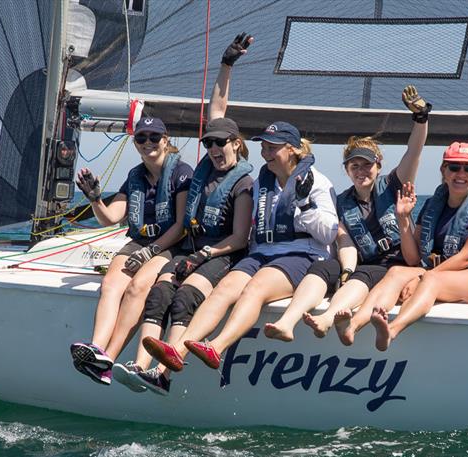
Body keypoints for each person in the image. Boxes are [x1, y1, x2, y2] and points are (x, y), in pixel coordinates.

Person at [141, 32, 339, 374]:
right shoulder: (262, 179)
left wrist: (304, 204)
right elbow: (217, 114)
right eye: (264, 145)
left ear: (291, 150)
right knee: (226, 289)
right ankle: (175, 352)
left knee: (255, 289)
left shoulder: (316, 182)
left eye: (273, 146)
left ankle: (215, 347)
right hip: (262, 252)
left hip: (300, 254)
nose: (265, 150)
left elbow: (329, 232)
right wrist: (227, 64)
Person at [263, 85, 430, 342]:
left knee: (364, 274)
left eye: (367, 165)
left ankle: (329, 318)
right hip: (363, 264)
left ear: (378, 166)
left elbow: (414, 152)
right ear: (347, 169)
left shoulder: (393, 185)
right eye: (355, 166)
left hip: (395, 265)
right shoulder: (341, 202)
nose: (361, 170)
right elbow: (344, 241)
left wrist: (420, 118)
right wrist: (346, 271)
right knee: (325, 267)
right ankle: (287, 321)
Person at [111, 115, 254, 395]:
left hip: (223, 253)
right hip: (192, 250)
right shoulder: (203, 174)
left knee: (185, 297)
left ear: (236, 144)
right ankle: (141, 368)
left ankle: (163, 375)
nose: (214, 149)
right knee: (160, 293)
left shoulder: (243, 183)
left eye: (220, 143)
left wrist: (206, 254)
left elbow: (239, 238)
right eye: (209, 143)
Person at [335, 142, 468, 351]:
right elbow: (413, 258)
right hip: (439, 273)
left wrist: (420, 279)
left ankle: (392, 330)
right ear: (443, 171)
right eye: (454, 167)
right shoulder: (432, 205)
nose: (460, 173)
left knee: (431, 278)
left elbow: (465, 259)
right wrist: (402, 219)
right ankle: (353, 326)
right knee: (395, 272)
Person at [70, 117, 192, 385]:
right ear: (135, 143)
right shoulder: (135, 176)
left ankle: (109, 358)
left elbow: (182, 225)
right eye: (141, 138)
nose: (148, 143)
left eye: (154, 137)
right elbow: (111, 218)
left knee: (138, 287)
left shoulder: (181, 173)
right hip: (140, 242)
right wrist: (95, 199)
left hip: (171, 244)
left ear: (165, 139)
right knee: (112, 283)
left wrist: (151, 253)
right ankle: (97, 350)